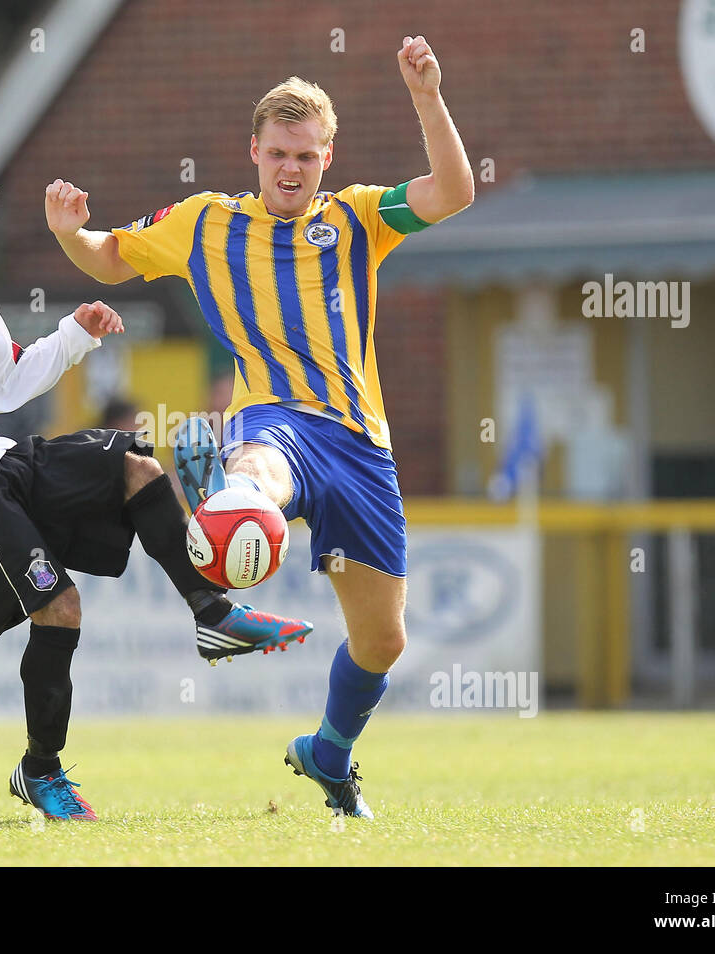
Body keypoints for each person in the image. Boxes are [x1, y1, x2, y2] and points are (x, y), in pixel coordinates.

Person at [46, 37, 474, 818]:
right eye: (278, 152)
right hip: (275, 422)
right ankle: (232, 489)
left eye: (306, 156)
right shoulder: (204, 222)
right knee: (260, 473)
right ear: (253, 151)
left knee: (383, 643)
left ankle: (329, 754)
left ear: (327, 156)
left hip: (362, 448)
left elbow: (455, 191)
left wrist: (426, 97)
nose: (290, 169)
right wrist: (71, 232)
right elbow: (110, 258)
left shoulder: (360, 217)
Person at [0, 152, 313, 822]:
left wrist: (73, 336)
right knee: (60, 609)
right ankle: (41, 771)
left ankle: (214, 617)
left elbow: (6, 386)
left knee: (139, 467)